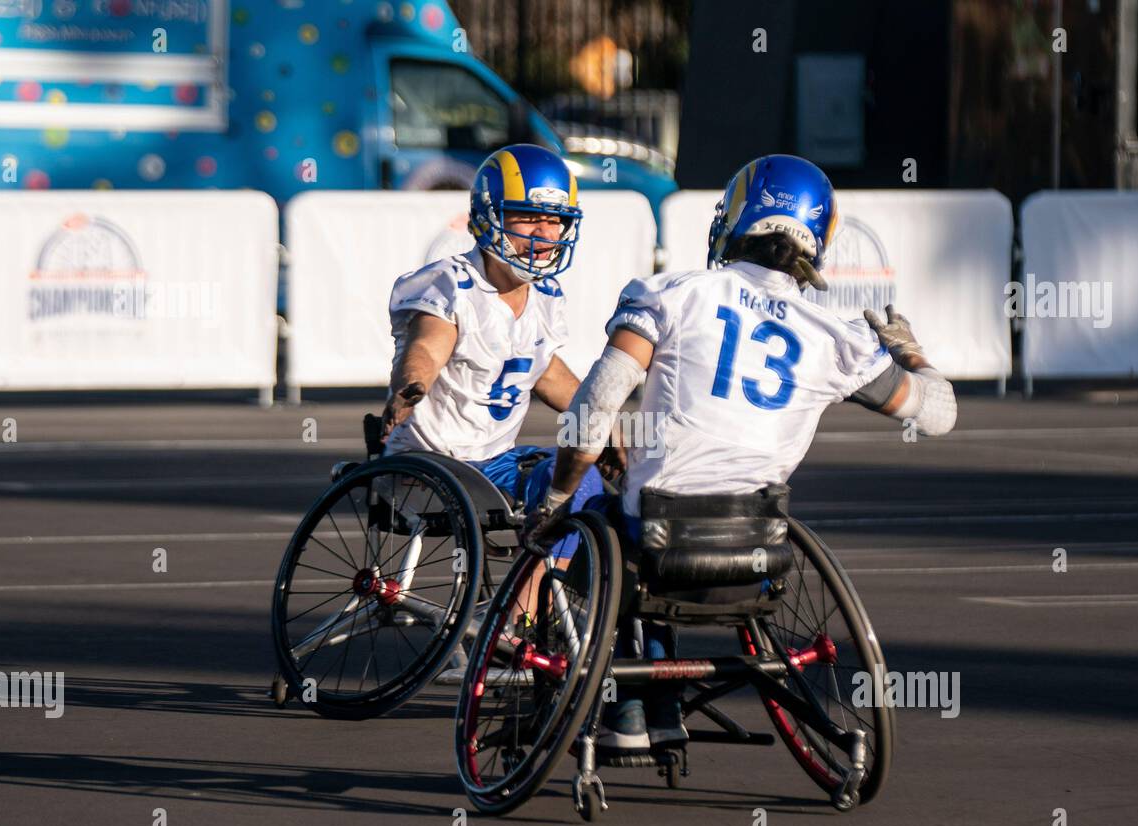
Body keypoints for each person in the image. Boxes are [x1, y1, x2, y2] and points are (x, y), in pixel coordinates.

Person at [524, 153, 957, 756]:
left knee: (603, 513)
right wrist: (911, 353)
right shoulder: (839, 338)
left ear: (736, 220)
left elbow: (594, 409)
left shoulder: (670, 294)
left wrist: (557, 496)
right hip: (760, 545)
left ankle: (629, 705)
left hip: (658, 533)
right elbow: (939, 414)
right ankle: (661, 706)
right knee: (645, 516)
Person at [380, 143, 619, 529]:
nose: (545, 234)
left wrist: (600, 425)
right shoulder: (453, 283)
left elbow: (545, 372)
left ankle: (540, 586)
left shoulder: (545, 296)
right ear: (488, 218)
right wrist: (412, 384)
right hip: (432, 464)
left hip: (492, 463)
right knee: (574, 483)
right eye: (528, 218)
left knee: (584, 475)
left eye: (555, 220)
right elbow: (426, 346)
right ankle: (533, 588)